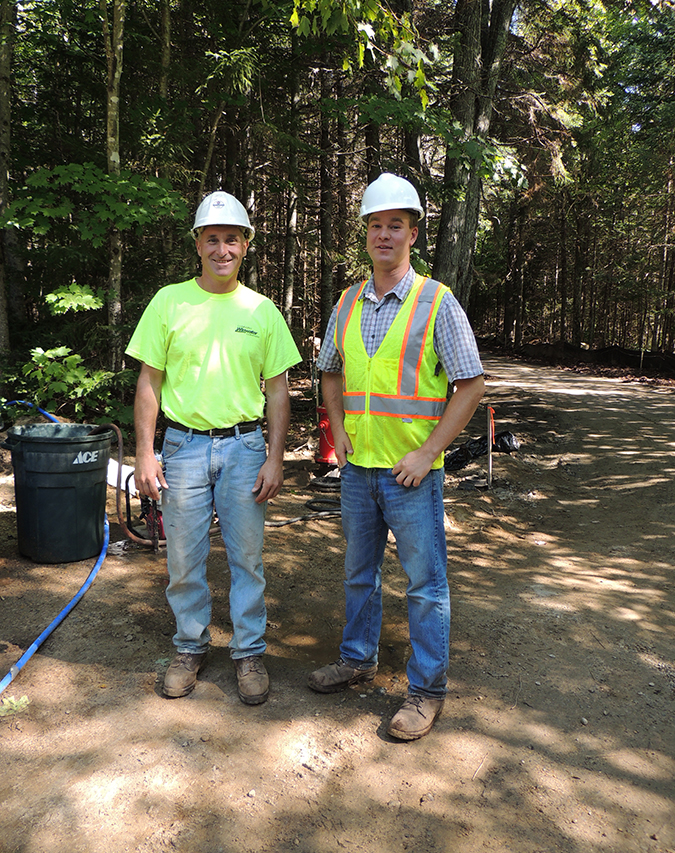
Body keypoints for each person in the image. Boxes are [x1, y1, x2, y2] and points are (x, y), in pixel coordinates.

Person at [308, 173, 485, 740]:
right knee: (359, 574)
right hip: (359, 471)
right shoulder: (346, 302)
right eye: (375, 226)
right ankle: (357, 659)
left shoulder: (437, 302)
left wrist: (430, 451)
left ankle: (426, 691)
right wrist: (337, 432)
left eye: (395, 226)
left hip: (412, 476)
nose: (385, 236)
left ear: (412, 234)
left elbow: (471, 385)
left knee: (425, 585)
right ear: (365, 234)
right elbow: (330, 371)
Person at [126, 191, 302, 705]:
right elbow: (148, 383)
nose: (221, 248)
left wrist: (275, 456)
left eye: (231, 239)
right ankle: (189, 647)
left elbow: (277, 391)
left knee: (247, 559)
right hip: (181, 448)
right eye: (212, 239)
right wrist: (144, 452)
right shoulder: (169, 301)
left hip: (245, 448)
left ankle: (249, 653)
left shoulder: (262, 311)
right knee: (184, 558)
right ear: (198, 245)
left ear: (245, 246)